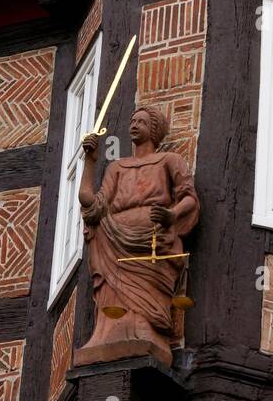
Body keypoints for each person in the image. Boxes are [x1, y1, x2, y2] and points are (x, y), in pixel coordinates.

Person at [77, 104, 199, 366]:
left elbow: (189, 197)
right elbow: (91, 206)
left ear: (153, 130)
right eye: (132, 120)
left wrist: (171, 215)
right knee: (113, 294)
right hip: (113, 240)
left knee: (145, 298)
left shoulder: (169, 161)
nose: (134, 125)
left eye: (141, 122)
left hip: (153, 240)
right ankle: (107, 337)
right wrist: (90, 160)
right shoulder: (116, 167)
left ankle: (146, 332)